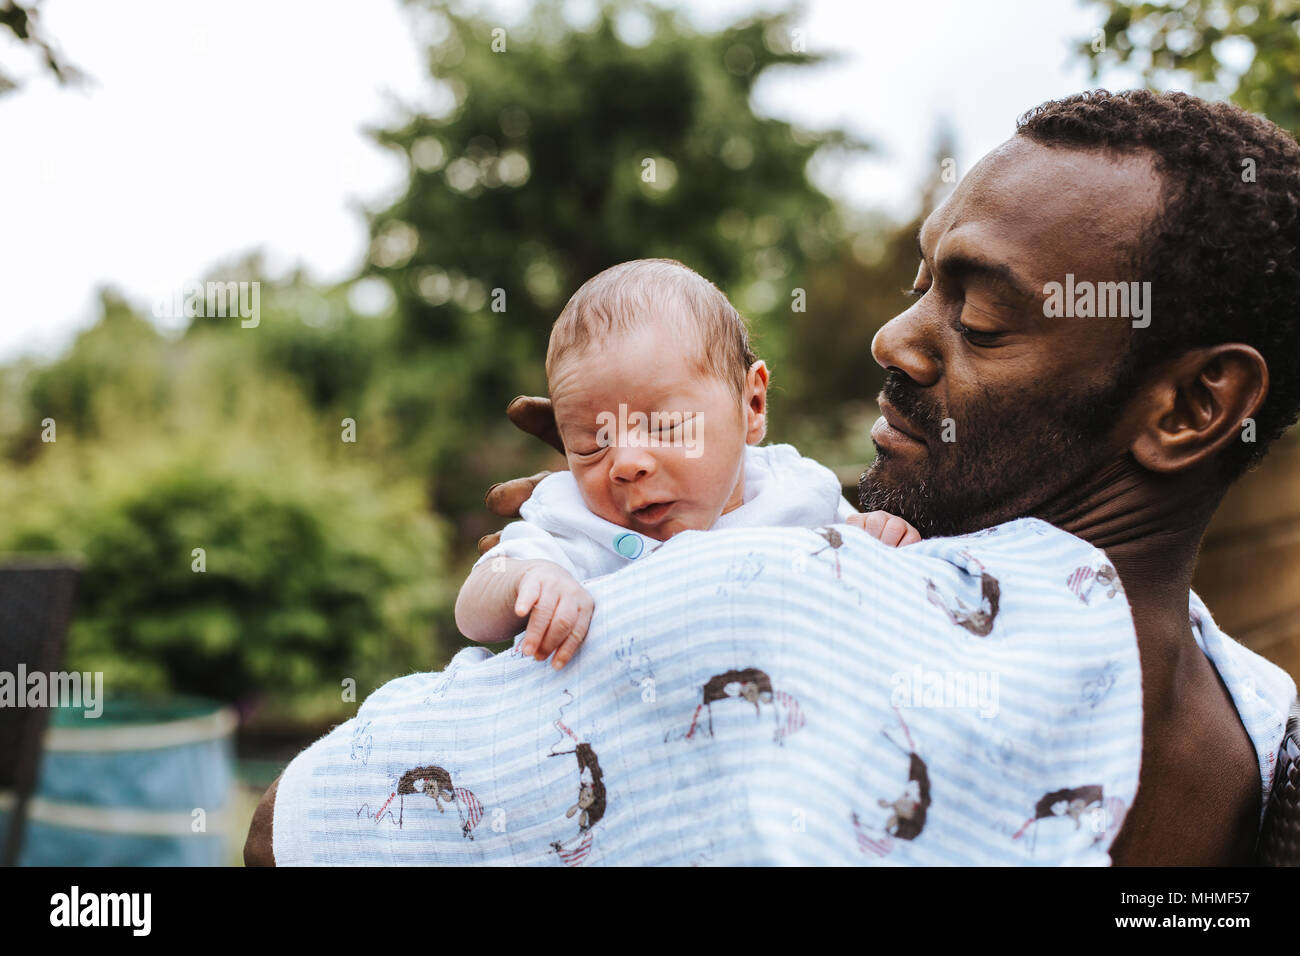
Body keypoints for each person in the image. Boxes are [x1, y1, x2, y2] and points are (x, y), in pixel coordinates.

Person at [247, 89, 1300, 866]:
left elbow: (287, 828)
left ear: (1193, 406)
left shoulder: (768, 602)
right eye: (919, 283)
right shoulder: (1256, 724)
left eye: (978, 316)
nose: (894, 335)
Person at [455, 259, 920, 668]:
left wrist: (878, 535)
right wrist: (530, 579)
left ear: (752, 404)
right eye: (592, 444)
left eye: (667, 425)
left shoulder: (795, 492)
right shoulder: (576, 522)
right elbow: (473, 612)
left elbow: (861, 552)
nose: (627, 463)